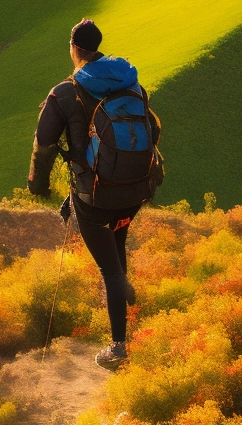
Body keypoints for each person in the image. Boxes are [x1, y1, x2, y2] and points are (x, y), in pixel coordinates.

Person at [28, 18, 161, 370]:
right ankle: (128, 301)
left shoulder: (66, 92)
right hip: (134, 191)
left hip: (95, 198)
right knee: (116, 244)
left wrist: (38, 186)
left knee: (109, 271)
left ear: (74, 49)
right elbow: (154, 128)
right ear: (98, 48)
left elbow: (43, 145)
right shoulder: (129, 83)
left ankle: (119, 348)